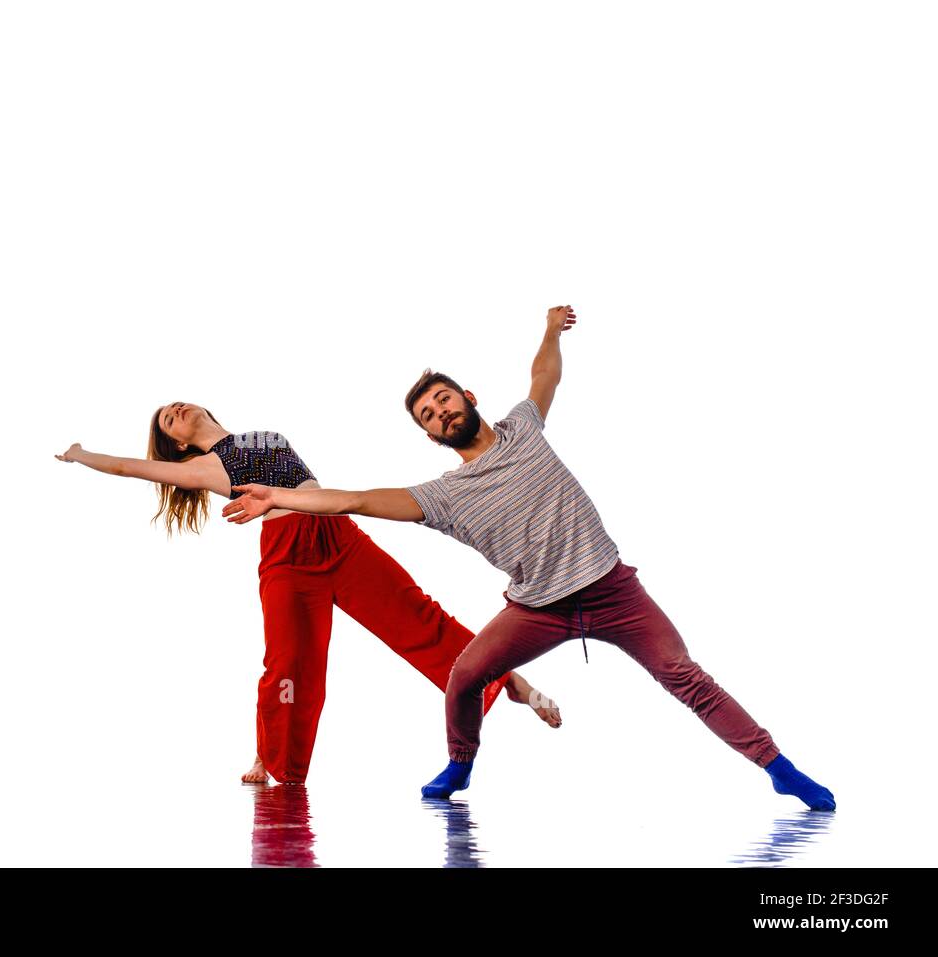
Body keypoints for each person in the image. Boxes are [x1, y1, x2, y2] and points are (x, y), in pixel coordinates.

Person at [220, 305, 836, 811]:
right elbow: (357, 499)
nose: (442, 414)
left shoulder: (523, 429)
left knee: (686, 677)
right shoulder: (442, 496)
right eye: (430, 417)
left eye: (444, 401)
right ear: (431, 436)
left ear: (467, 396)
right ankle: (459, 766)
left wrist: (547, 330)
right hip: (537, 608)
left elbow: (545, 377)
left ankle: (778, 767)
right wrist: (280, 496)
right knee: (464, 675)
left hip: (612, 592)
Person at [54, 401, 563, 785]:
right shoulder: (202, 467)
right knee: (290, 662)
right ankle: (273, 757)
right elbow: (129, 468)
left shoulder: (257, 435)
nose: (176, 411)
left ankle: (507, 681)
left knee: (417, 615)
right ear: (179, 445)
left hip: (335, 534)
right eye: (167, 421)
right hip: (287, 556)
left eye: (175, 405)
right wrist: (82, 455)